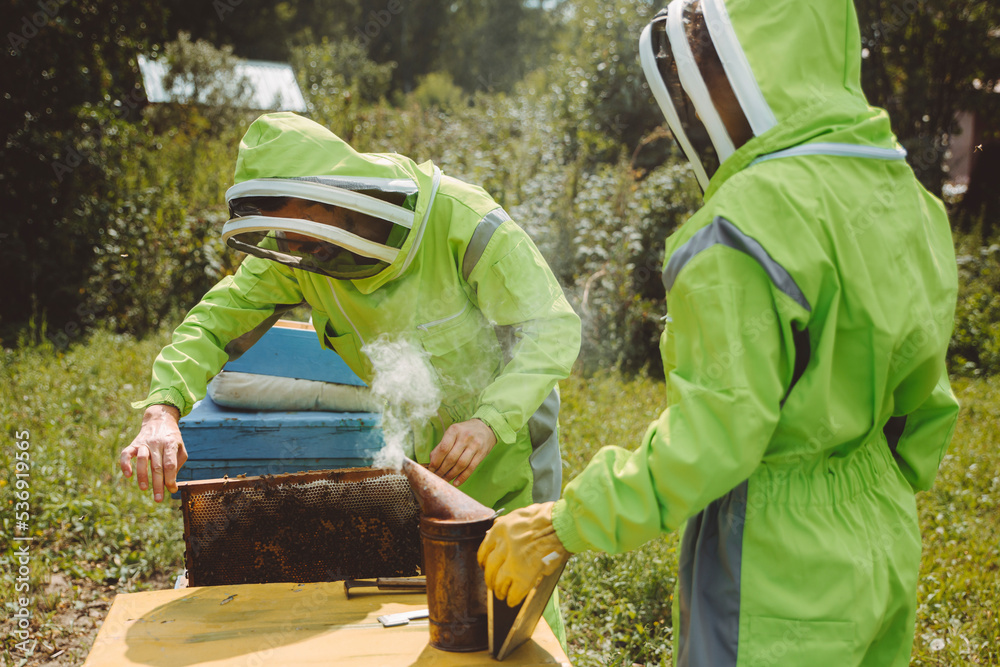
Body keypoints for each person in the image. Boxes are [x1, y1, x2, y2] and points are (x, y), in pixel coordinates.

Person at [478, 1, 960, 665]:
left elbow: (717, 434)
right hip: (884, 534)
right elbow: (926, 406)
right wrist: (861, 486)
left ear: (746, 69)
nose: (695, 108)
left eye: (702, 79)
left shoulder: (742, 224)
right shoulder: (908, 198)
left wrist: (566, 520)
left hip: (774, 560)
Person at [119, 111, 580, 642]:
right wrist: (163, 408)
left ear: (336, 195)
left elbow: (550, 329)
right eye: (285, 236)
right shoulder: (297, 252)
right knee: (437, 591)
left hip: (508, 432)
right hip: (421, 436)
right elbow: (217, 320)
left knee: (518, 585)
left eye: (303, 230)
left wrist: (489, 421)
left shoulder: (465, 223)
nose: (295, 247)